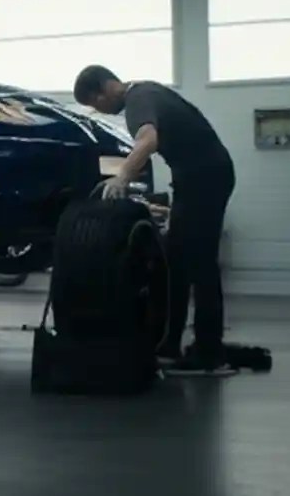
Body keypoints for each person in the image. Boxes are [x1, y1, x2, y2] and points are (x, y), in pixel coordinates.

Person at [73, 65, 236, 376]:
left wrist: (121, 178)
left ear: (102, 92)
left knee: (199, 262)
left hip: (205, 179)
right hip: (198, 178)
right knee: (174, 260)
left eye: (96, 105)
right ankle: (169, 343)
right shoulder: (149, 90)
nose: (102, 111)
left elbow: (147, 141)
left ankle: (209, 352)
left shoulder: (138, 100)